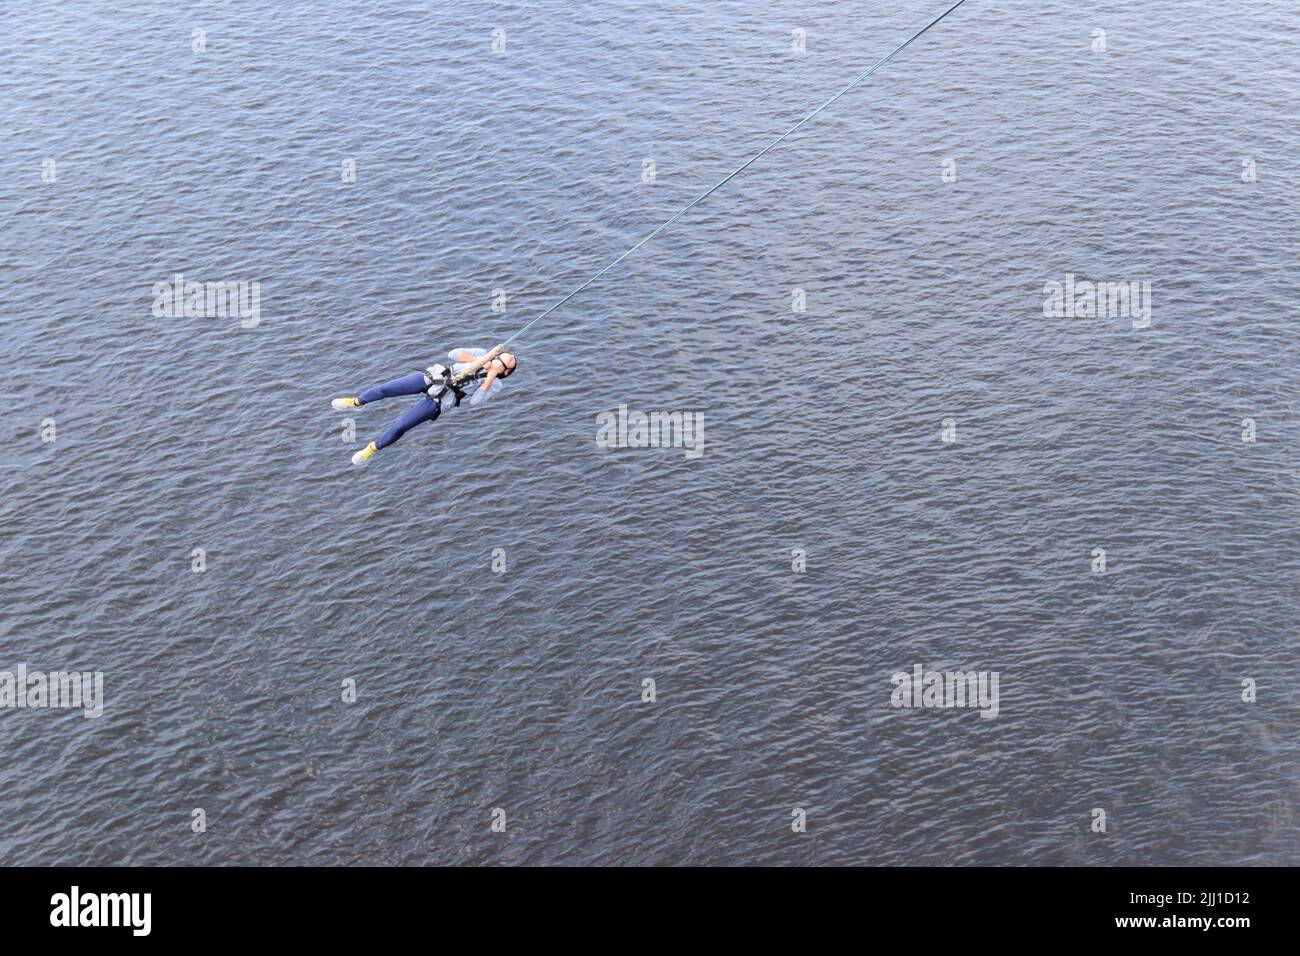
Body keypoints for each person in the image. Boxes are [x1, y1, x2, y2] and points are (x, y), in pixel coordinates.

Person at [332, 348, 517, 465]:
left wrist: (490, 376)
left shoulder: (496, 384)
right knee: (385, 389)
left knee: (402, 425)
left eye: (508, 362)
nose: (508, 358)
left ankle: (371, 449)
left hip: (441, 400)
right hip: (432, 378)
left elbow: (476, 401)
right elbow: (452, 354)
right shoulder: (482, 354)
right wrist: (479, 360)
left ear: (506, 371)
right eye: (504, 356)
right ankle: (357, 402)